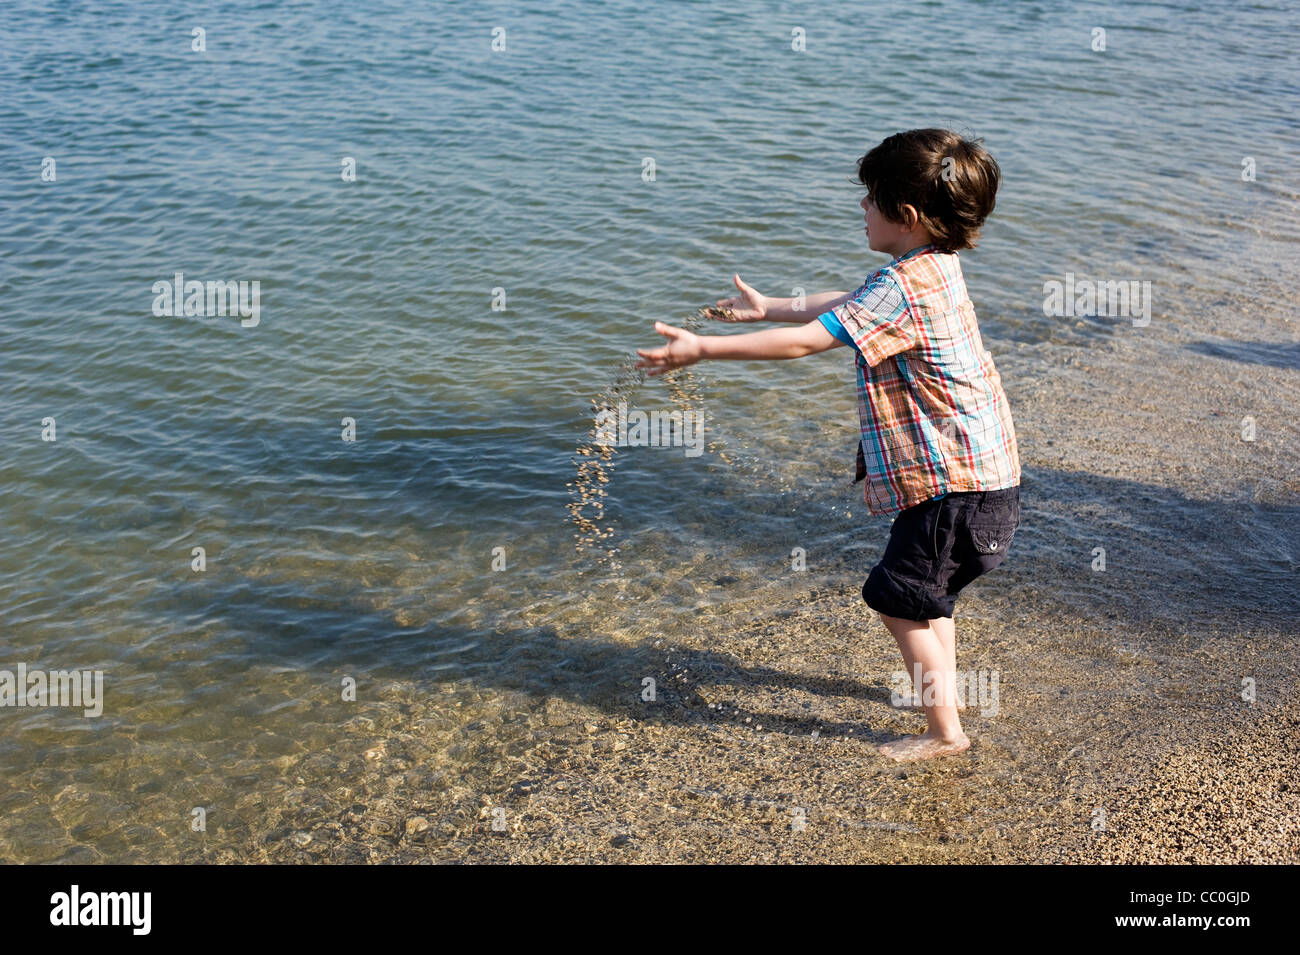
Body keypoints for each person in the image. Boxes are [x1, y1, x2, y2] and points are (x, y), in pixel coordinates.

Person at [634, 128, 1021, 762]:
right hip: (984, 482)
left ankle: (944, 734)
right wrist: (768, 308)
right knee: (927, 597)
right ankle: (941, 704)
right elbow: (843, 307)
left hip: (955, 490)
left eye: (870, 199)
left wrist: (703, 349)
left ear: (907, 216)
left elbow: (809, 341)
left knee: (896, 599)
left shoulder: (903, 286)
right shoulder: (932, 270)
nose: (861, 209)